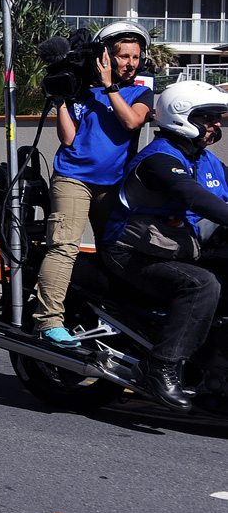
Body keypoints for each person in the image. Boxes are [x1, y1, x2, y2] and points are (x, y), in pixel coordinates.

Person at [99, 80, 228, 410]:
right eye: (209, 117)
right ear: (181, 117)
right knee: (201, 285)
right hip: (131, 252)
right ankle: (160, 367)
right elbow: (193, 197)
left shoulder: (206, 160)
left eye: (218, 118)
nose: (217, 125)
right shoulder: (159, 159)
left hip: (174, 248)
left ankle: (216, 374)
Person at [33, 20, 154, 348]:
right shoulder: (83, 89)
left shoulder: (140, 92)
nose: (130, 63)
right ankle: (48, 321)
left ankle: (113, 315)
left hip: (114, 185)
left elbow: (132, 122)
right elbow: (69, 139)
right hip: (72, 178)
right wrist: (61, 100)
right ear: (107, 56)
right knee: (64, 245)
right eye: (123, 56)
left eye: (135, 57)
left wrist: (110, 87)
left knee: (116, 251)